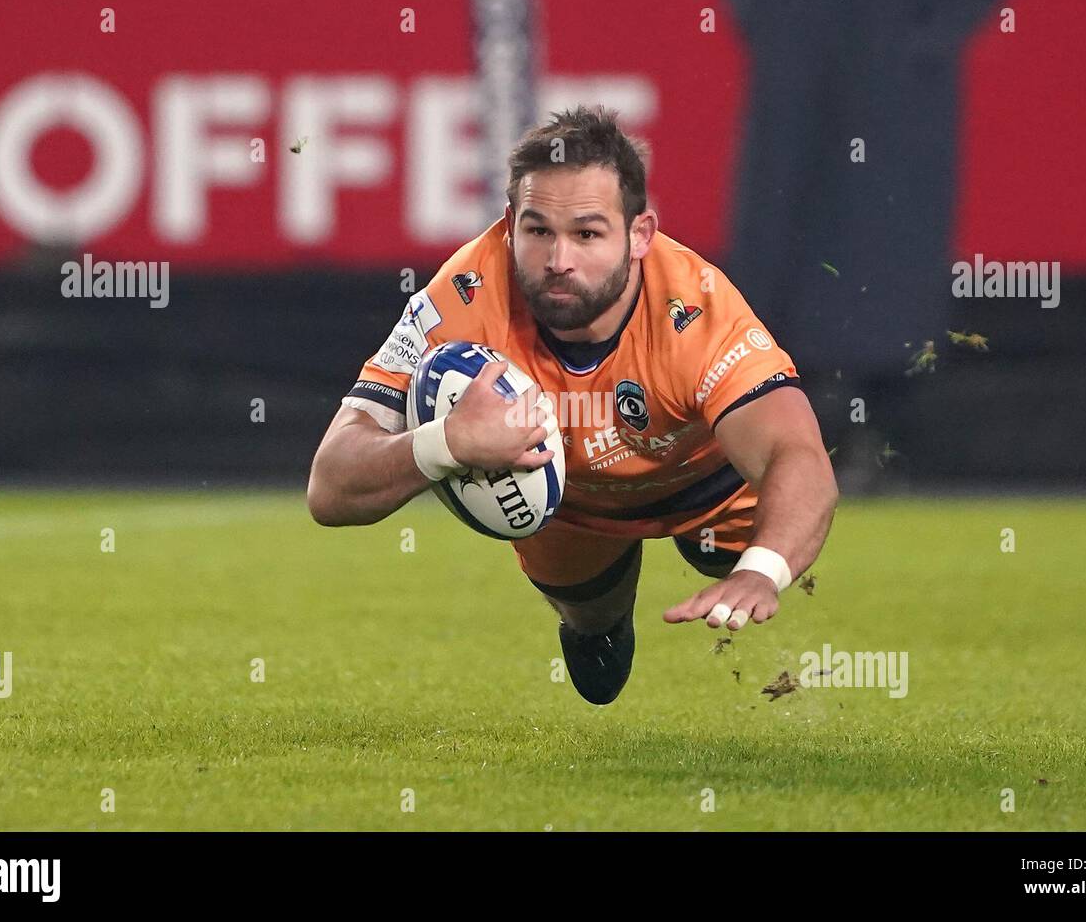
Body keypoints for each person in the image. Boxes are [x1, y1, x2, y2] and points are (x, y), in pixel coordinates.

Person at [308, 105, 838, 705]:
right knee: (595, 639)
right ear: (510, 225)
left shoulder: (694, 309)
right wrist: (446, 444)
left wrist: (762, 571)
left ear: (640, 235)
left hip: (707, 485)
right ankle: (597, 619)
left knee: (739, 557)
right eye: (538, 232)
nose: (559, 260)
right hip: (569, 501)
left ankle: (717, 550)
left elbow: (798, 455)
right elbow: (330, 488)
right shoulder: (462, 298)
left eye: (587, 233)